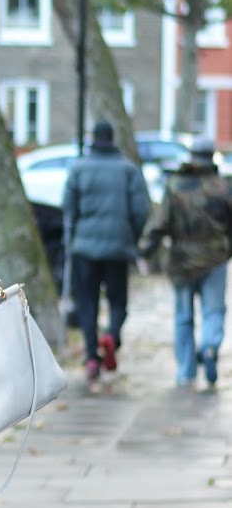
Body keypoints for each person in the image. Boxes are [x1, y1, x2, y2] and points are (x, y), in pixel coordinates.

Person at [138, 137, 232, 388]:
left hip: (181, 261)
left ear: (191, 155)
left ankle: (186, 372)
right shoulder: (224, 186)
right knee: (214, 310)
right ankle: (209, 346)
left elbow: (159, 224)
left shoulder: (175, 185)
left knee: (183, 316)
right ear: (212, 155)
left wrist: (145, 252)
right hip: (215, 259)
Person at [62, 119, 151, 381]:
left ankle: (92, 356)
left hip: (85, 249)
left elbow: (68, 208)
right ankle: (111, 335)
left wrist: (74, 237)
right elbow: (141, 210)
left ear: (93, 138)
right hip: (117, 248)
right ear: (113, 139)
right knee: (118, 300)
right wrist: (131, 237)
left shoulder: (79, 168)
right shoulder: (129, 170)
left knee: (87, 302)